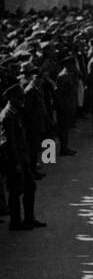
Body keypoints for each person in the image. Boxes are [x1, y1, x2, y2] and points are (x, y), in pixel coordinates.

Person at [0, 83, 44, 230]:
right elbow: (9, 143)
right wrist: (16, 163)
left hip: (22, 158)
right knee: (15, 191)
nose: (22, 100)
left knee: (30, 187)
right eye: (19, 98)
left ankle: (29, 219)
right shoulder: (7, 116)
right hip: (14, 161)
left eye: (22, 97)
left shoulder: (15, 113)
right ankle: (16, 222)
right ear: (11, 98)